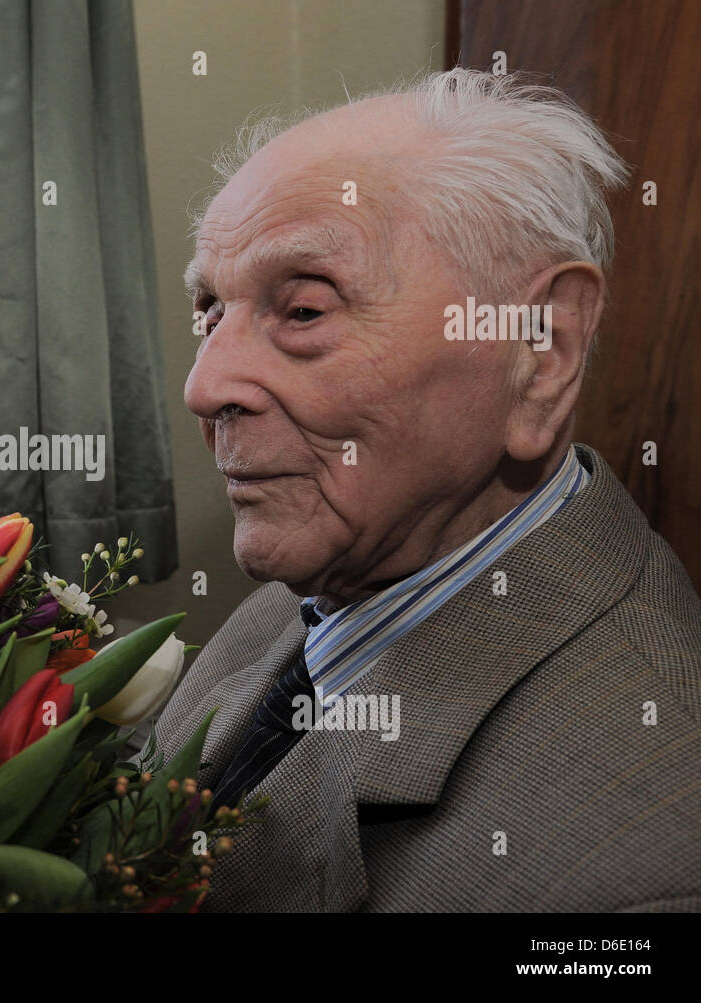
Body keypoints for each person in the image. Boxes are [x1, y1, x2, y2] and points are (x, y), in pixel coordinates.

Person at [141, 68, 701, 911]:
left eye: (302, 312)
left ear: (538, 353)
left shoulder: (641, 874)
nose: (205, 384)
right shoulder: (352, 549)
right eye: (211, 312)